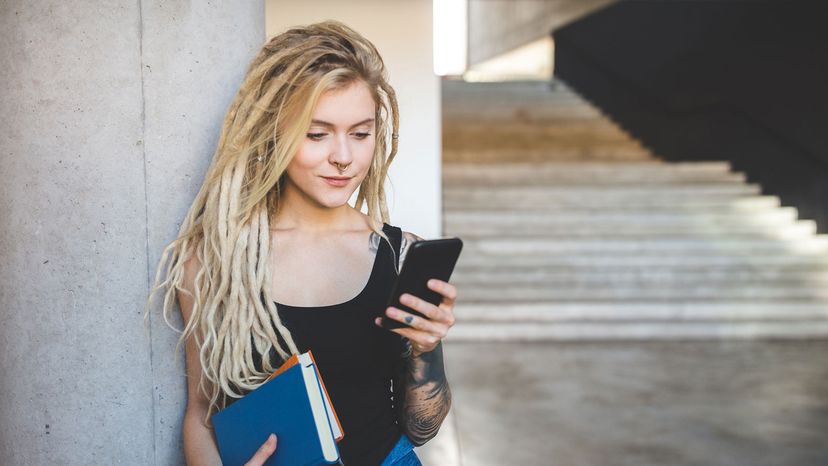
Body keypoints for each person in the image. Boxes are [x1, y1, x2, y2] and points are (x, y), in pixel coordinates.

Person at [144, 20, 457, 466]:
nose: (343, 157)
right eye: (317, 133)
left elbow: (421, 429)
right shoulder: (215, 260)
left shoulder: (398, 254)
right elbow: (201, 413)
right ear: (274, 132)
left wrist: (428, 350)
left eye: (361, 133)